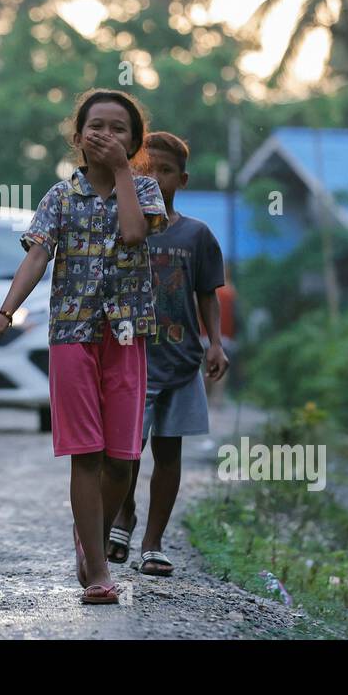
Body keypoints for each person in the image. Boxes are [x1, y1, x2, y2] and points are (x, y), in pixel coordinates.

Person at [0, 90, 167, 604]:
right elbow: (37, 259)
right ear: (78, 136)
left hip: (126, 333)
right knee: (85, 453)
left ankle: (92, 541)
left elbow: (132, 233)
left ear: (134, 142)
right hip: (72, 333)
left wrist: (123, 173)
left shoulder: (146, 190)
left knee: (122, 459)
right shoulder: (59, 198)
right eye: (96, 126)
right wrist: (4, 311)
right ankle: (100, 567)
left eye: (119, 128)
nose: (105, 134)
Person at [107, 132, 228, 575]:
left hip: (179, 362)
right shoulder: (122, 226)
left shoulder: (197, 235)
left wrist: (214, 342)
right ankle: (123, 515)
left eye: (165, 170)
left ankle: (153, 542)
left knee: (169, 452)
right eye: (144, 169)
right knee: (126, 451)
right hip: (131, 358)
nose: (154, 178)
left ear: (183, 178)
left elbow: (207, 295)